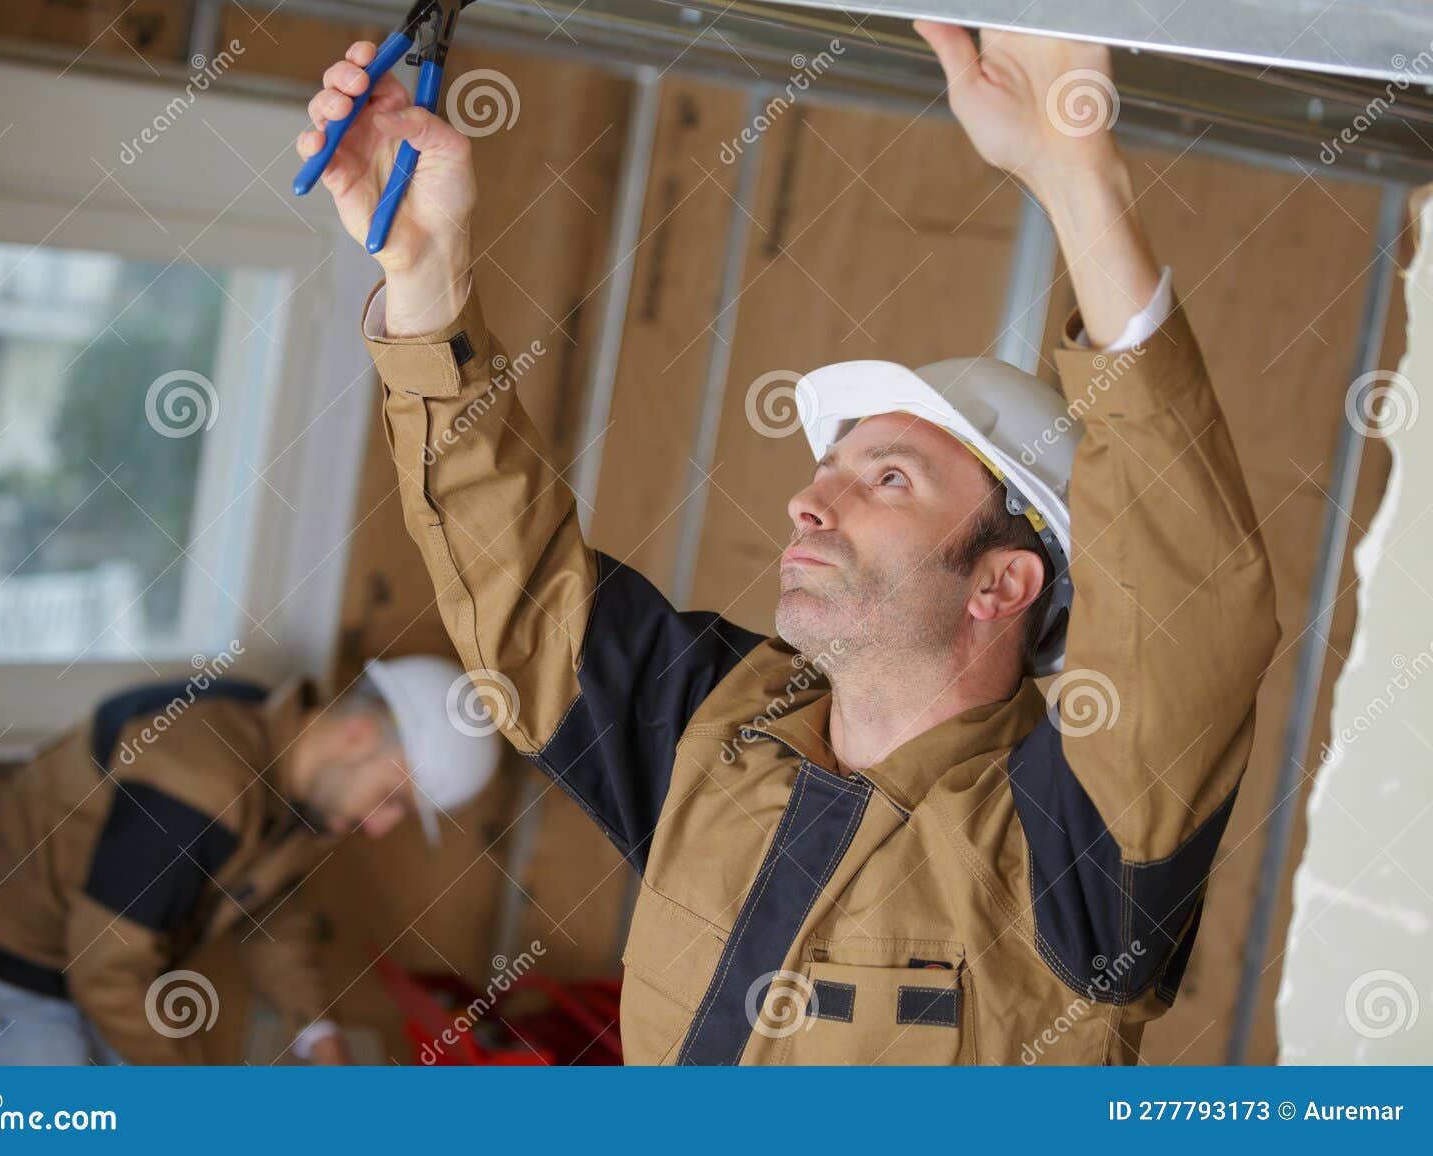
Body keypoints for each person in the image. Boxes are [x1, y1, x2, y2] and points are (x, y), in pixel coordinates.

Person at [299, 23, 1278, 1064]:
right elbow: (517, 581)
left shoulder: (1061, 845)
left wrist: (1074, 176)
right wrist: (424, 272)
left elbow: (1193, 607)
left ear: (1002, 579)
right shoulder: (715, 731)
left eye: (886, 478)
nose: (810, 502)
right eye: (830, 468)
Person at [0, 656, 500, 1065]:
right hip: (13, 977)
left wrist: (318, 1034)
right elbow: (106, 967)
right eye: (392, 799)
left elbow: (270, 908)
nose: (380, 828)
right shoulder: (202, 782)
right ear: (355, 736)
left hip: (99, 973)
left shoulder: (293, 779)